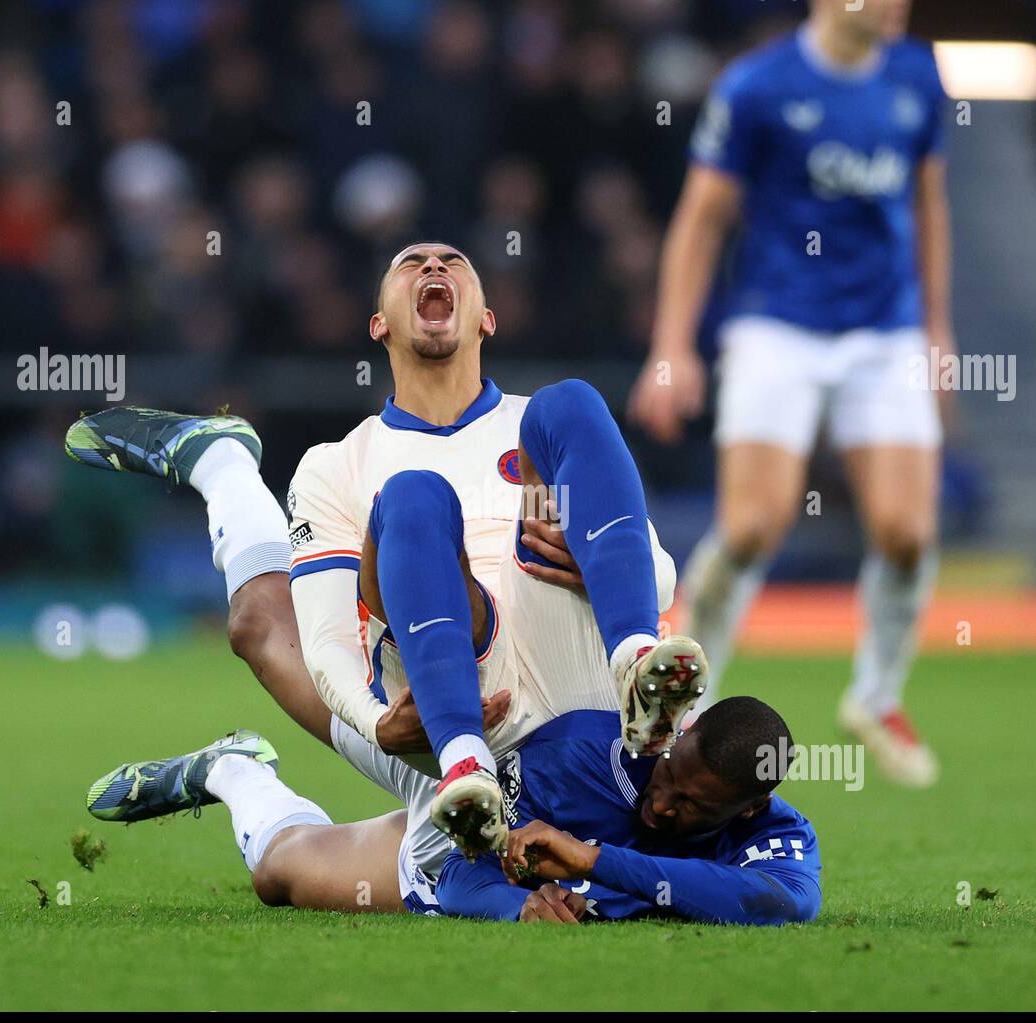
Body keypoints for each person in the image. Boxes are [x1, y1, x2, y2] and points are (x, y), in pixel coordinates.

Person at [66, 241, 707, 863]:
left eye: (454, 261)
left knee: (570, 401)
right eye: (411, 264)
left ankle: (635, 665)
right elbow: (326, 643)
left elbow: (655, 580)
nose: (433, 265)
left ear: (487, 318)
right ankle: (224, 464)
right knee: (268, 617)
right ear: (379, 325)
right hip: (443, 693)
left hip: (575, 678)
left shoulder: (544, 429)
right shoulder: (342, 465)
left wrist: (591, 566)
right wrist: (377, 726)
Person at [627, 0, 952, 787]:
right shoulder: (757, 87)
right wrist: (672, 349)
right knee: (751, 526)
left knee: (907, 532)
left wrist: (939, 328)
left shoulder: (917, 75)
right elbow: (701, 220)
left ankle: (877, 695)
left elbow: (929, 202)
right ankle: (682, 702)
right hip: (777, 327)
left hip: (884, 331)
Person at [86, 695, 820, 925]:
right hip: (454, 798)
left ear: (752, 806)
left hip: (455, 819)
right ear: (675, 735)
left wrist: (595, 861)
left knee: (275, 871)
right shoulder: (583, 758)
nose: (663, 805)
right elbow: (467, 874)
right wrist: (517, 907)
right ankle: (226, 471)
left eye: (692, 804)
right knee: (271, 642)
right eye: (668, 776)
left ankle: (233, 768)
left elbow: (780, 904)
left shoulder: (776, 835)